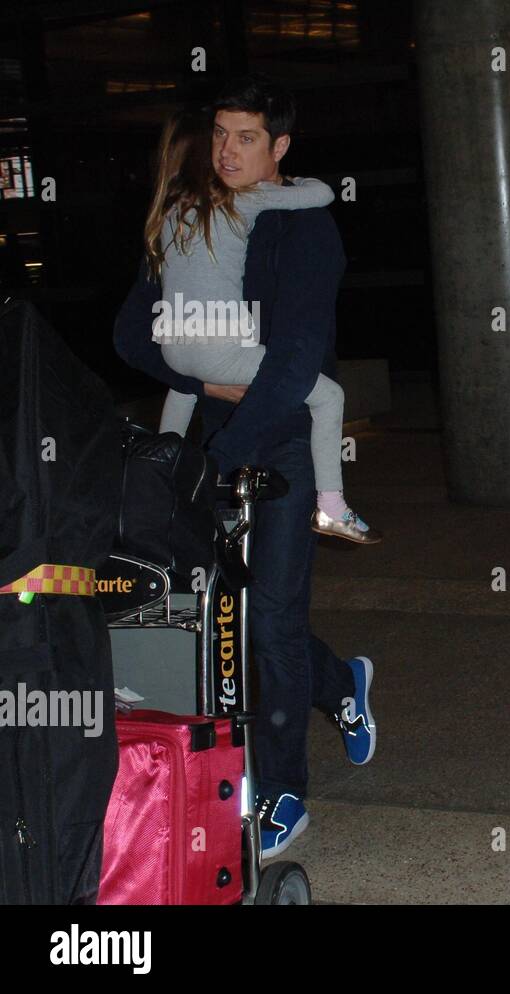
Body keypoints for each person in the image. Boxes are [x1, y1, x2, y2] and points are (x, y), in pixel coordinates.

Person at [114, 74, 378, 858]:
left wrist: (228, 447)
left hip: (284, 441)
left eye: (248, 137)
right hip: (213, 432)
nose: (228, 151)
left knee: (268, 619)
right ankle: (342, 685)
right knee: (226, 615)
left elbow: (296, 361)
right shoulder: (193, 219)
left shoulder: (305, 231)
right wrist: (200, 384)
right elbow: (133, 333)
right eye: (222, 134)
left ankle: (286, 794)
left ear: (280, 147)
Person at [144, 109, 380, 545]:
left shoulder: (170, 210)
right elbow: (322, 194)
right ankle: (331, 507)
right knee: (329, 395)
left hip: (175, 348)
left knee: (185, 388)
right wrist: (282, 184)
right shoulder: (246, 199)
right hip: (217, 348)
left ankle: (160, 482)